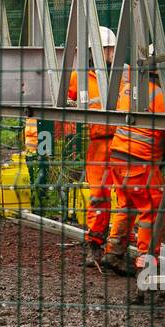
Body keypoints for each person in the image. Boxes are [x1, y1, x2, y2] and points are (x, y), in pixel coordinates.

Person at [102, 45, 165, 274]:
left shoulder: (127, 89)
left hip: (118, 157)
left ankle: (113, 252)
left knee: (127, 204)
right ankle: (146, 260)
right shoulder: (159, 95)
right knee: (151, 209)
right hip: (140, 161)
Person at [67, 27, 118, 270]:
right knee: (99, 196)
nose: (109, 52)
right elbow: (65, 101)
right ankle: (95, 245)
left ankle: (119, 247)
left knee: (128, 196)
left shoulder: (125, 74)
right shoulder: (80, 77)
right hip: (99, 144)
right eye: (106, 48)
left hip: (125, 143)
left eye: (110, 48)